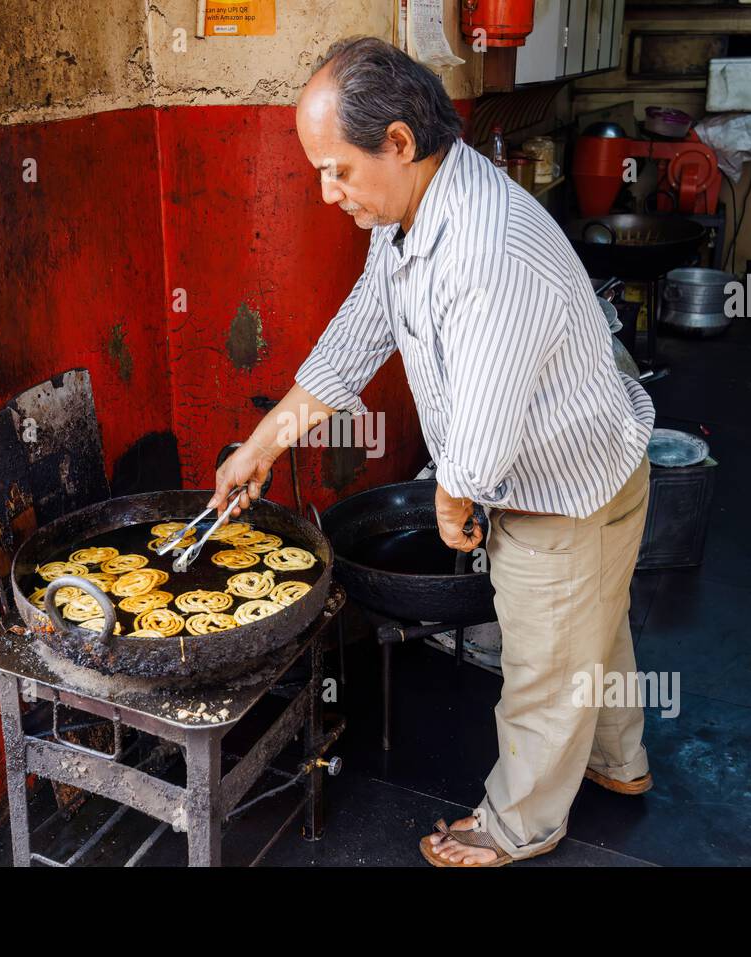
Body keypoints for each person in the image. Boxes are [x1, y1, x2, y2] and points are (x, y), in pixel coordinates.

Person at [208, 36, 655, 867]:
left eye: (337, 169)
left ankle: (519, 822)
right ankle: (617, 762)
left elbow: (481, 441)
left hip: (563, 488)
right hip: (594, 466)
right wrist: (263, 445)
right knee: (594, 627)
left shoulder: (484, 248)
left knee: (544, 663)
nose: (326, 191)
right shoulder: (411, 211)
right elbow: (356, 338)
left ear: (401, 143)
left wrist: (454, 505)